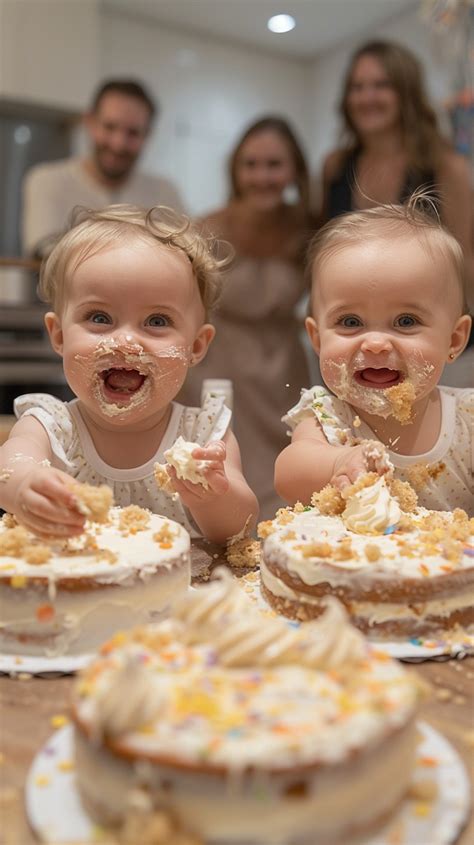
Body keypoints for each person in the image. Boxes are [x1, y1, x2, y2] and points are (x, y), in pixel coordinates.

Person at [0, 205, 258, 544]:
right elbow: (11, 463)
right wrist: (23, 484)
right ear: (59, 335)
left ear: (195, 346)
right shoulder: (51, 426)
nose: (125, 342)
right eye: (100, 318)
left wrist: (212, 497)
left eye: (157, 321)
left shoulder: (204, 436)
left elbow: (241, 528)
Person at [275, 196, 473, 515]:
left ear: (454, 339)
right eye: (350, 322)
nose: (376, 343)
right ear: (317, 338)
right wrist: (338, 462)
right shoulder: (327, 419)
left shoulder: (468, 420)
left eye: (405, 321)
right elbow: (289, 474)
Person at [179, 116, 314, 519]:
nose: (261, 176)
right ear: (235, 170)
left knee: (285, 470)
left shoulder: (308, 230)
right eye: (250, 164)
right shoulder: (207, 228)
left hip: (281, 367)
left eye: (274, 165)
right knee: (218, 459)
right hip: (218, 365)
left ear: (294, 170)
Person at [318, 40, 473, 313]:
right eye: (357, 87)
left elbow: (463, 263)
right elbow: (324, 254)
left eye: (382, 85)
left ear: (407, 93)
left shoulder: (446, 166)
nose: (366, 97)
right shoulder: (335, 166)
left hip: (427, 324)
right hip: (354, 324)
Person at [22, 79, 184, 258]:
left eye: (133, 133)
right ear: (90, 122)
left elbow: (185, 251)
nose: (118, 144)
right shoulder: (47, 181)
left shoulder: (165, 192)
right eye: (109, 127)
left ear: (147, 135)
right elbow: (45, 253)